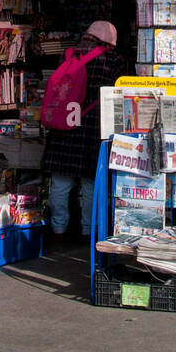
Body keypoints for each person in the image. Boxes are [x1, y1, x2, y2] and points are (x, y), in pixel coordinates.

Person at [42, 21, 124, 240]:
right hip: (92, 126)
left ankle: (58, 228)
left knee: (60, 182)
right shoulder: (112, 59)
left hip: (65, 124)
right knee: (90, 183)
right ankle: (89, 229)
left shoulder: (68, 54)